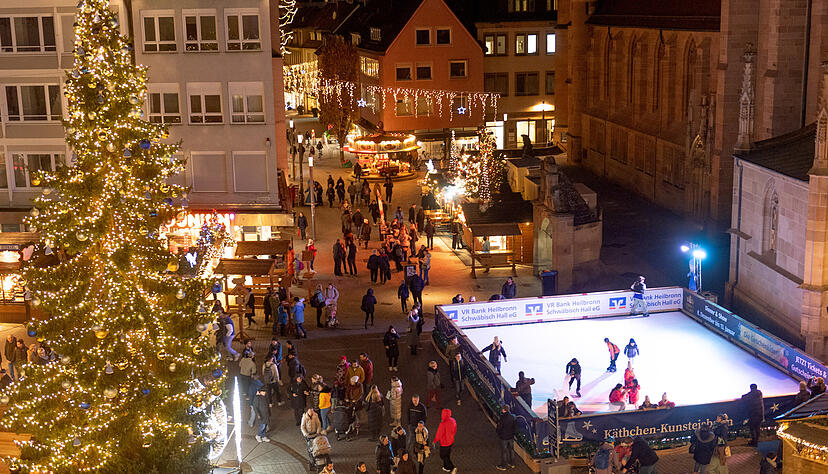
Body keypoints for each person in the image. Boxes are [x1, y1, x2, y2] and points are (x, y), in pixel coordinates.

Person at [434, 408, 457, 474]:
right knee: (447, 454)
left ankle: (452, 467)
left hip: (444, 443)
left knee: (443, 455)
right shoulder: (453, 420)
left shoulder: (443, 423)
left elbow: (439, 433)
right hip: (450, 441)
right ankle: (446, 467)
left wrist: (435, 440)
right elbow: (455, 429)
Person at [495, 405, 516, 471]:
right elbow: (514, 426)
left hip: (504, 437)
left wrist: (498, 433)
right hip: (511, 436)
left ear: (503, 410)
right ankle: (512, 463)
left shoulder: (502, 418)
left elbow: (499, 427)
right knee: (511, 450)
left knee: (504, 451)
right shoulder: (512, 417)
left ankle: (503, 466)